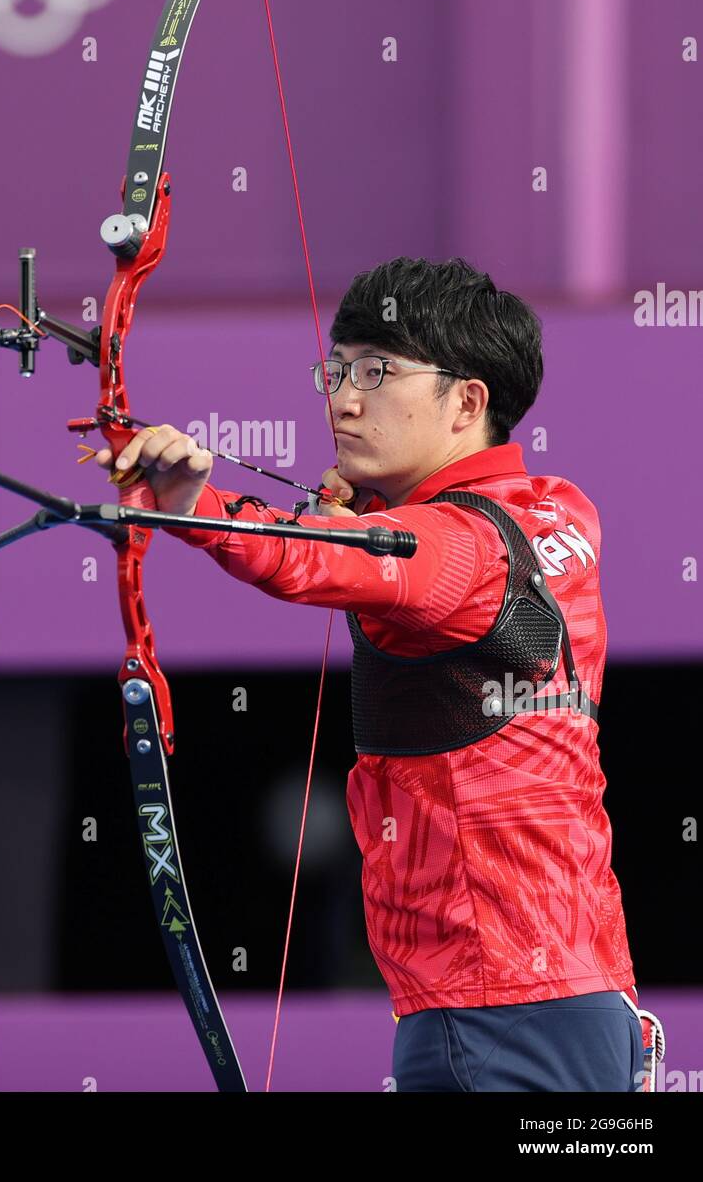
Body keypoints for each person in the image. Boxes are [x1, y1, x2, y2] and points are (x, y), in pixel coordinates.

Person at [95, 256, 644, 1092]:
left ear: (468, 399)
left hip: (488, 1008)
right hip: (588, 995)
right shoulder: (562, 508)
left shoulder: (448, 548)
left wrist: (190, 508)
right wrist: (379, 512)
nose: (344, 399)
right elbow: (424, 557)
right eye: (339, 368)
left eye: (378, 372)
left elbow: (318, 562)